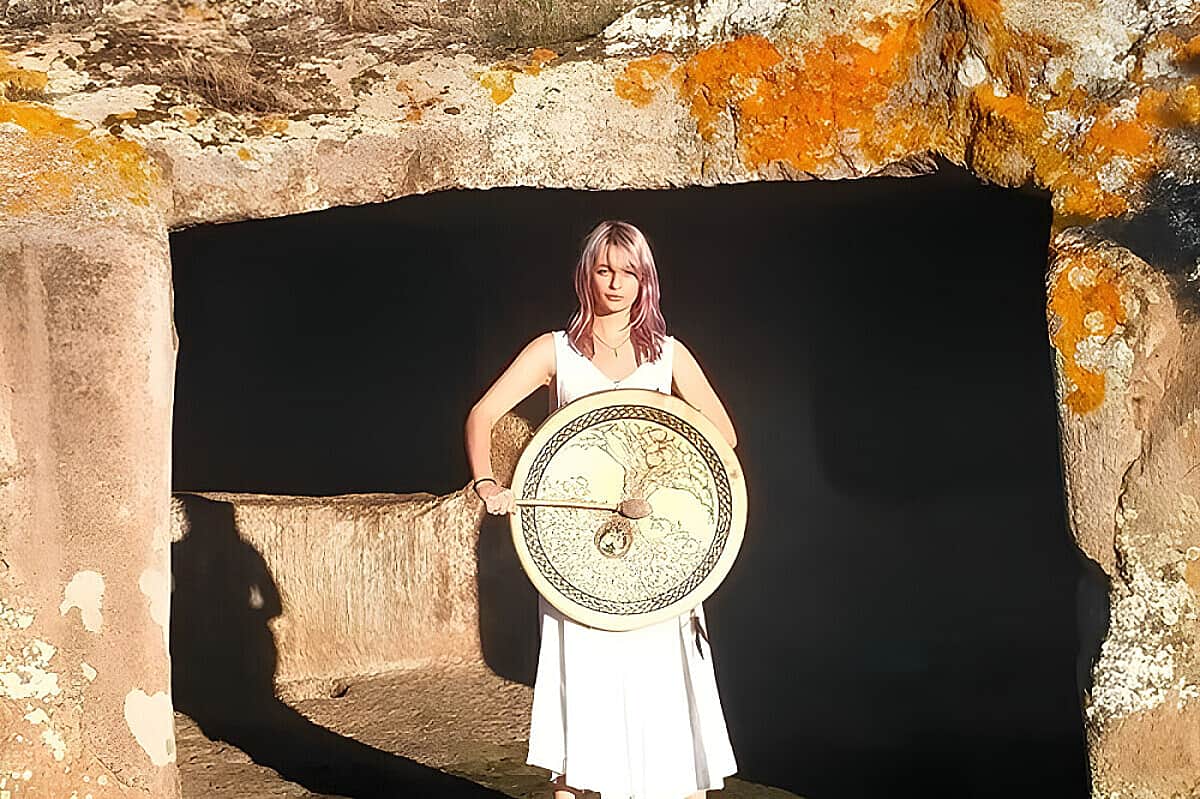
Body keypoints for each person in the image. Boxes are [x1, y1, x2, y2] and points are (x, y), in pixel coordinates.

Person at [463, 220, 739, 799]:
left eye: (628, 272)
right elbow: (482, 415)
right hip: (576, 556)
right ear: (585, 274)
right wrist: (489, 483)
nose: (615, 283)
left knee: (662, 692)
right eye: (604, 269)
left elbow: (724, 437)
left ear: (645, 281)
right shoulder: (553, 351)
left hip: (653, 558)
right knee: (584, 700)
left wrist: (667, 463)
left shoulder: (667, 354)